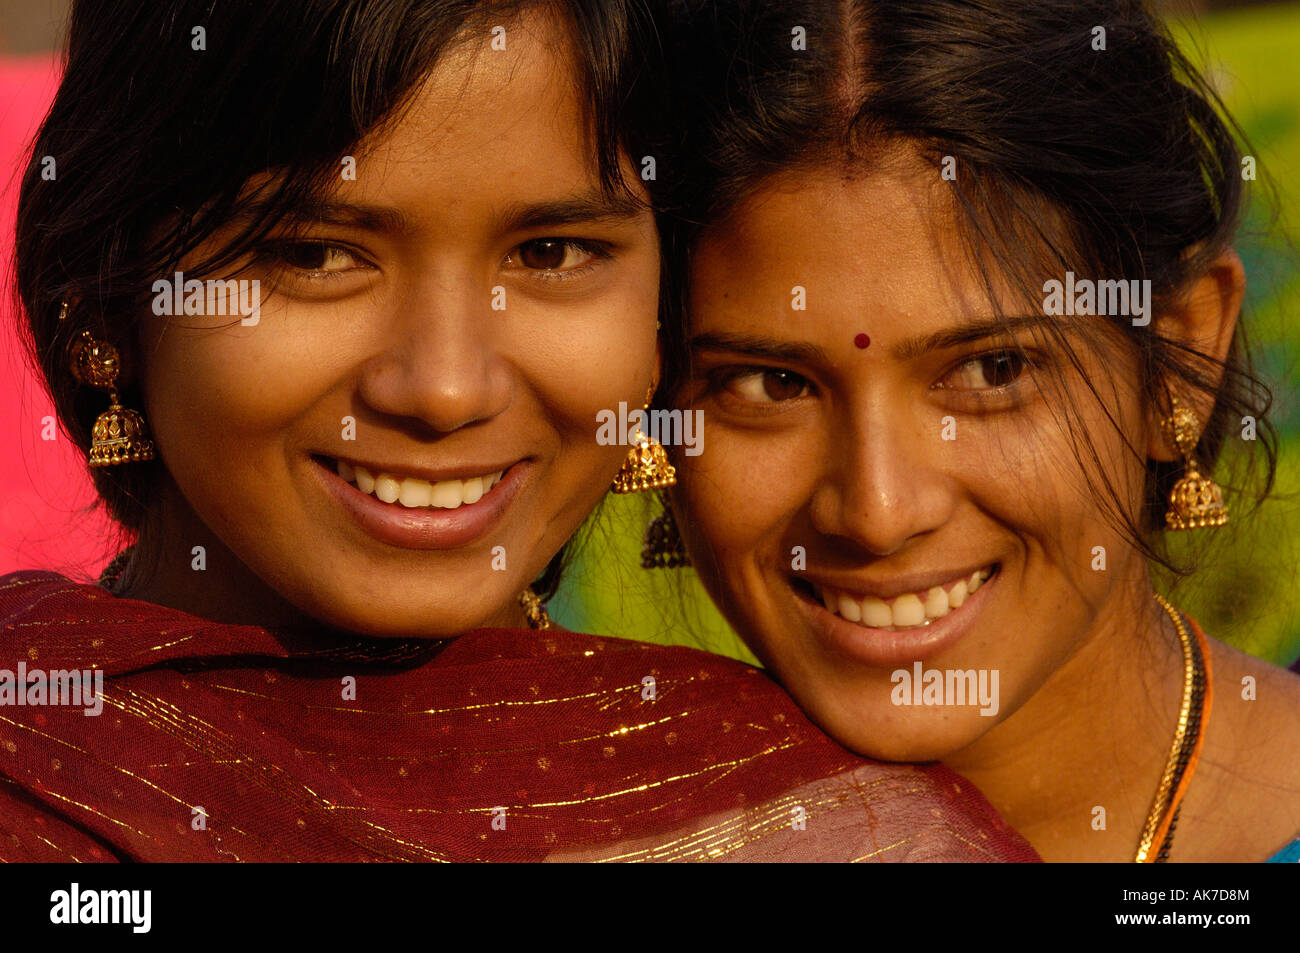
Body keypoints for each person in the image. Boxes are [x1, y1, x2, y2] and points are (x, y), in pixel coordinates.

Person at [0, 0, 1036, 862]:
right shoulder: (33, 764)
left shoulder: (817, 826)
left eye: (550, 253)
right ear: (107, 305)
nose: (445, 388)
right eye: (315, 256)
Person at [661, 0, 1300, 861]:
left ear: (1180, 359)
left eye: (992, 371)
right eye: (771, 384)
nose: (878, 512)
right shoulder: (586, 820)